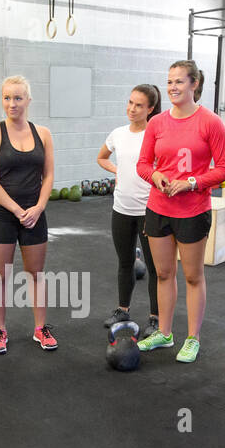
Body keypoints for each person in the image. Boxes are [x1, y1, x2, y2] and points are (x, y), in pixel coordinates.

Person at [134, 60, 225, 362]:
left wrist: (192, 182)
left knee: (192, 276)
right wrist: (156, 177)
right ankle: (164, 333)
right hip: (158, 208)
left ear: (194, 84)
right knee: (163, 273)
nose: (173, 87)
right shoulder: (156, 123)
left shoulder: (210, 122)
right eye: (169, 82)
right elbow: (142, 164)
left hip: (192, 210)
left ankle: (193, 337)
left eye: (179, 81)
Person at [0, 75, 56, 354]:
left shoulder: (43, 134)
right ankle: (0, 330)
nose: (12, 103)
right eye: (7, 98)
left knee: (36, 274)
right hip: (2, 214)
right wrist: (16, 209)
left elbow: (48, 176)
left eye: (18, 98)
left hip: (34, 214)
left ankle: (40, 329)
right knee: (0, 275)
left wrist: (38, 208)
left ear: (28, 100)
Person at [96, 84, 162, 337]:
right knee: (125, 262)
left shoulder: (156, 135)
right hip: (121, 209)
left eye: (139, 105)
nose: (132, 109)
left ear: (150, 109)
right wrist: (118, 171)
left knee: (155, 269)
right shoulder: (118, 133)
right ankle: (123, 309)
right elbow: (102, 157)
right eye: (130, 103)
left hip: (149, 210)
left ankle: (156, 318)